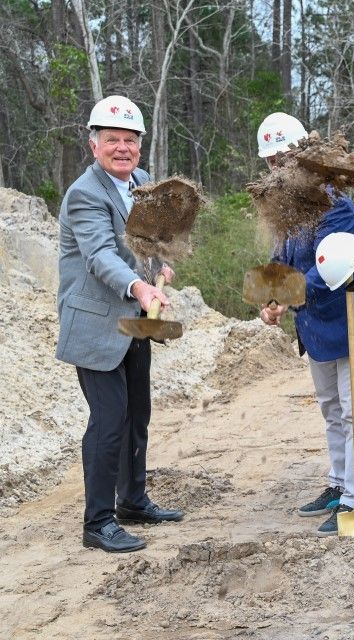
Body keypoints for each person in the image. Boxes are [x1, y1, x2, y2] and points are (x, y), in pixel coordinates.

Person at [255, 112, 354, 536]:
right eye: (272, 162)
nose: (280, 168)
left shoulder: (336, 204)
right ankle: (337, 484)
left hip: (352, 315)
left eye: (286, 159)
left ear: (307, 157)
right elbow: (282, 262)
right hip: (315, 323)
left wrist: (289, 294)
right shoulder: (284, 208)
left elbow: (324, 272)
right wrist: (270, 298)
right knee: (332, 409)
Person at [57, 95, 183, 553]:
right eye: (112, 140)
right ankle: (98, 522)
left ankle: (132, 501)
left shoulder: (144, 183)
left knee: (137, 416)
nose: (122, 148)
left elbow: (146, 243)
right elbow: (100, 256)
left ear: (140, 145)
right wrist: (140, 288)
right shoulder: (84, 195)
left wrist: (159, 270)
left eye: (130, 140)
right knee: (109, 420)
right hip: (95, 326)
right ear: (95, 145)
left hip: (134, 323)